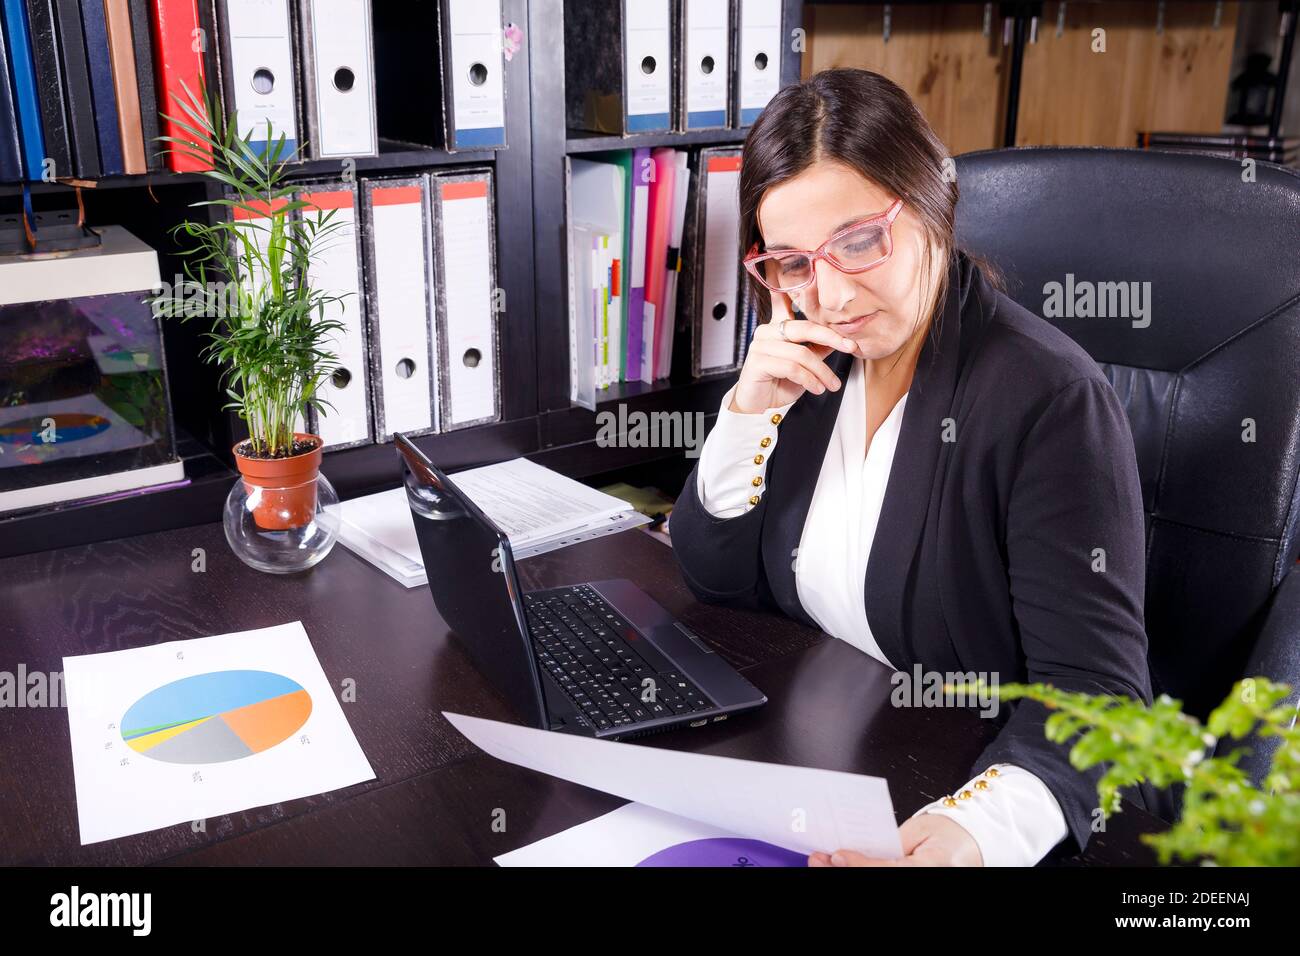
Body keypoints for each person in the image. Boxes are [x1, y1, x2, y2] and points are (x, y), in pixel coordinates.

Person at [670, 68, 1160, 866]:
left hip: (962, 787)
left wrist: (975, 834)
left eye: (859, 241)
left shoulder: (1051, 402)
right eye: (792, 263)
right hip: (829, 768)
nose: (828, 294)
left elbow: (1102, 708)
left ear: (934, 202)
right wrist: (747, 412)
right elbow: (717, 577)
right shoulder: (815, 364)